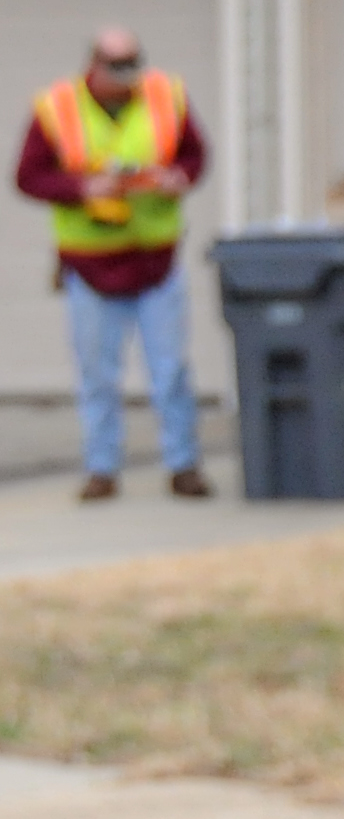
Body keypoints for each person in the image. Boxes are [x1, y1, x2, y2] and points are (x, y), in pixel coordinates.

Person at [15, 25, 211, 502]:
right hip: (91, 264)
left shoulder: (167, 96)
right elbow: (28, 176)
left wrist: (175, 178)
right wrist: (83, 188)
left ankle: (183, 464)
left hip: (155, 259)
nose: (127, 79)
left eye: (132, 67)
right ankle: (101, 468)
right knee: (98, 374)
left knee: (170, 371)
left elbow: (194, 155)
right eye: (116, 69)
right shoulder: (57, 107)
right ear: (94, 66)